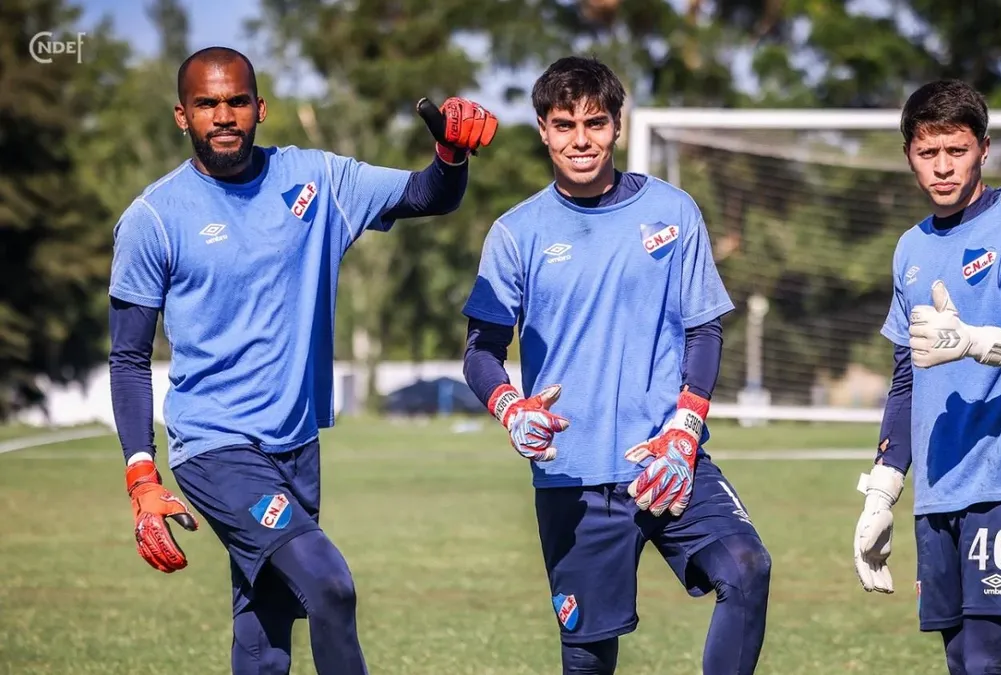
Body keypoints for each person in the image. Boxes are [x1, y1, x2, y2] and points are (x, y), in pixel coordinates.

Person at [107, 46, 496, 674]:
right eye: (207, 104)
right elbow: (127, 357)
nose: (224, 115)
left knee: (265, 630)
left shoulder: (318, 179)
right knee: (329, 585)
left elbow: (429, 195)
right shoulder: (153, 219)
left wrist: (450, 155)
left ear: (260, 108)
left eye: (236, 101)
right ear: (183, 116)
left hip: (295, 445)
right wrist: (141, 476)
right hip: (216, 448)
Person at [460, 55, 772, 675]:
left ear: (618, 125)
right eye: (564, 124)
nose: (581, 140)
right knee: (588, 658)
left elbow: (703, 329)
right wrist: (510, 409)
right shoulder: (516, 232)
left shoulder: (673, 211)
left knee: (746, 568)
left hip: (668, 460)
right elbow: (480, 352)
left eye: (595, 123)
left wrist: (685, 429)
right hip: (573, 479)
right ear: (543, 131)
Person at [852, 79, 1001, 675]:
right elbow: (905, 379)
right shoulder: (909, 248)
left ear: (984, 147)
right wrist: (882, 492)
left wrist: (980, 342)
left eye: (955, 151)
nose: (942, 168)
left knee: (989, 660)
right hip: (939, 489)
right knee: (961, 660)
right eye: (928, 154)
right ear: (908, 155)